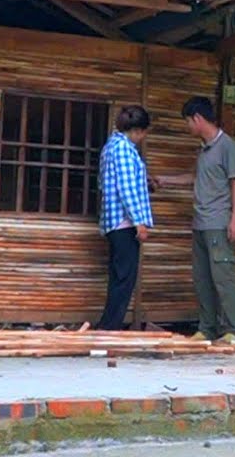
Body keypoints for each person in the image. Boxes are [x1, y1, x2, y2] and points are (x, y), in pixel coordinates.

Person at [154, 96, 235, 343]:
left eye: (188, 122)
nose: (188, 128)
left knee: (223, 278)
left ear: (197, 119)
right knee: (202, 278)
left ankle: (233, 330)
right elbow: (195, 178)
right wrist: (166, 180)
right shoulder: (203, 150)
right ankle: (207, 328)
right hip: (200, 223)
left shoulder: (227, 146)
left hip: (218, 223)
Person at [94, 105, 154, 331]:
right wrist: (139, 221)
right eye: (144, 132)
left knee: (119, 276)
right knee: (124, 279)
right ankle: (109, 328)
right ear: (138, 130)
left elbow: (107, 182)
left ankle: (108, 325)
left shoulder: (112, 146)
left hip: (114, 221)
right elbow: (126, 189)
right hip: (124, 222)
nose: (144, 137)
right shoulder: (125, 150)